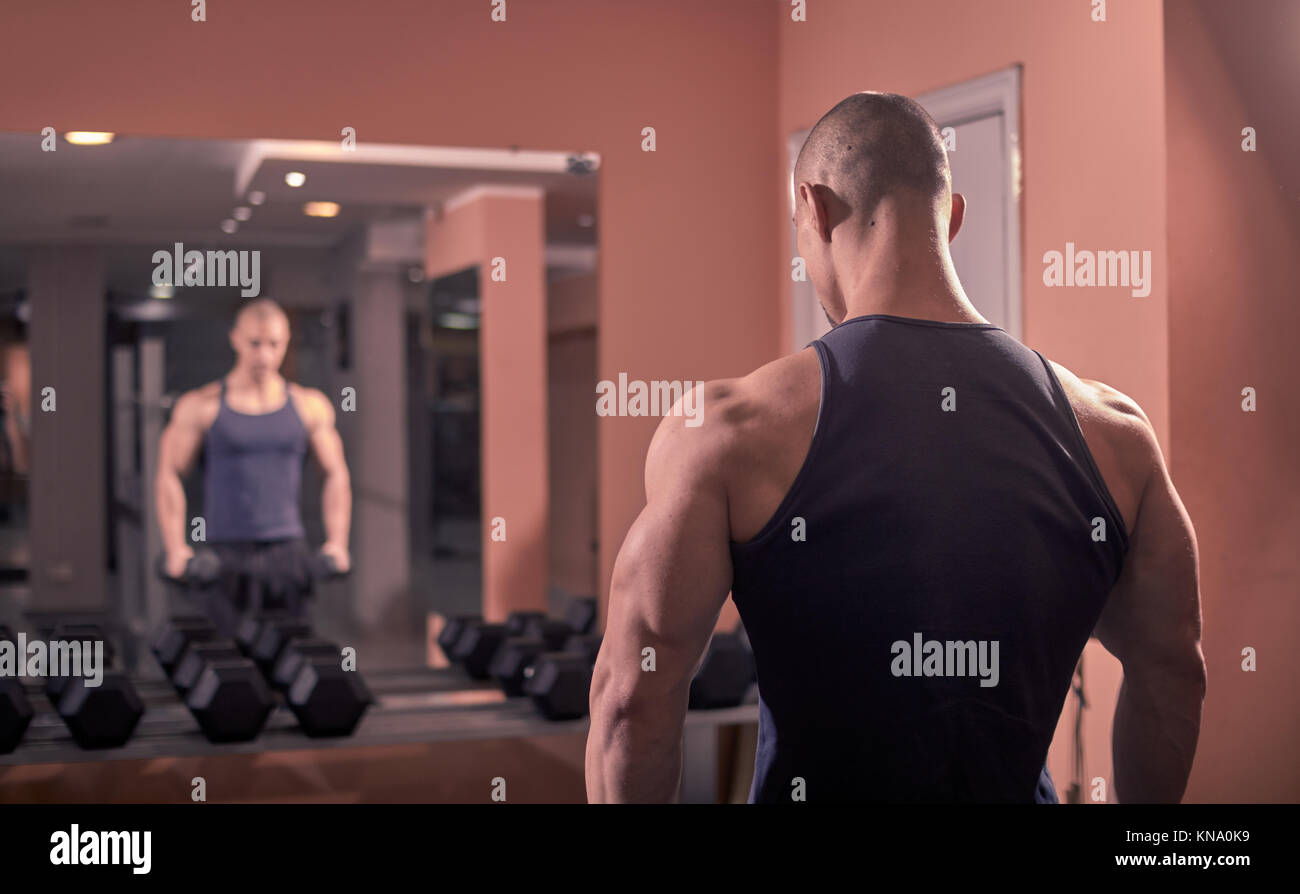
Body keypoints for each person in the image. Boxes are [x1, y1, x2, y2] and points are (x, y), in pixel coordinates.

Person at [586, 92, 1206, 803]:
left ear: (813, 208)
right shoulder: (1115, 433)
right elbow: (1175, 674)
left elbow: (632, 695)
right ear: (953, 216)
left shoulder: (727, 430)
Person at [156, 298, 352, 634]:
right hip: (225, 556)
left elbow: (336, 474)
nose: (264, 354)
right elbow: (169, 474)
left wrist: (337, 542)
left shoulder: (310, 405)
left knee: (293, 664)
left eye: (274, 344)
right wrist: (176, 548)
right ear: (235, 339)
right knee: (229, 671)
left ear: (286, 341)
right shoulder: (200, 405)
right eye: (254, 343)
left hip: (288, 552)